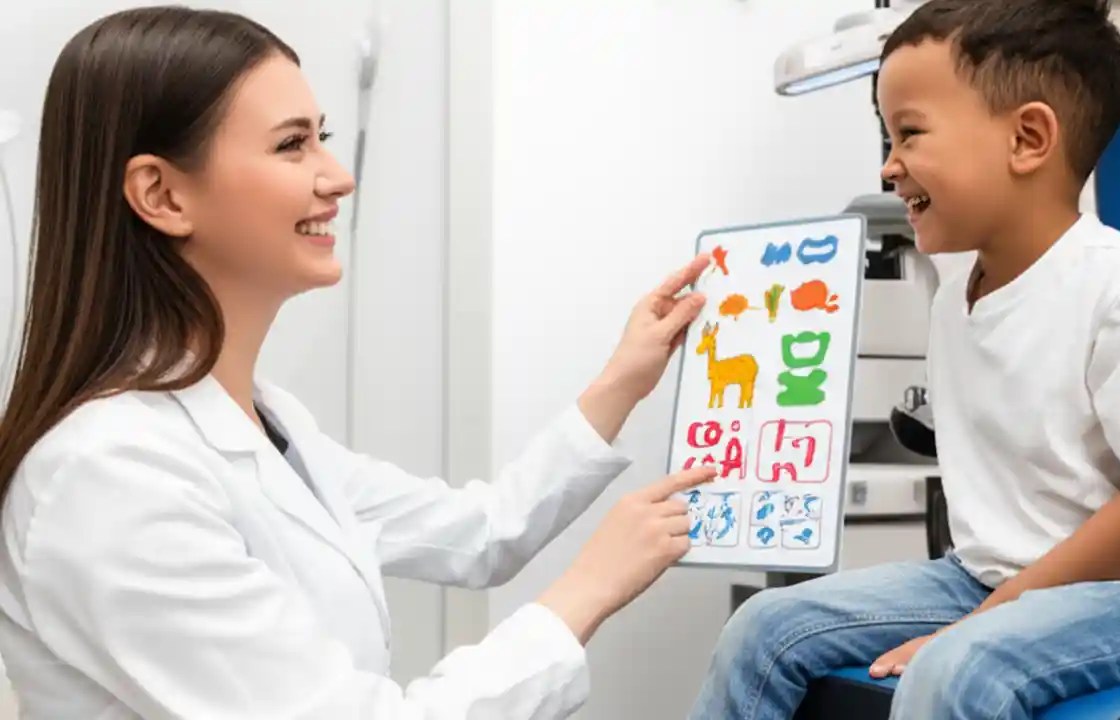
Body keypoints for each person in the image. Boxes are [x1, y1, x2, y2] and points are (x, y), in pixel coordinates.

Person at [0, 7, 715, 718]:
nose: (337, 177)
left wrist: (625, 378)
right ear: (162, 194)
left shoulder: (267, 425)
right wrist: (586, 589)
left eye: (324, 138)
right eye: (292, 146)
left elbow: (481, 530)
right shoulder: (109, 476)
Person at [690, 0, 1120, 718]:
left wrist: (992, 615)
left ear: (1028, 138)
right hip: (983, 577)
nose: (890, 167)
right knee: (762, 630)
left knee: (953, 672)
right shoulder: (957, 298)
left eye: (909, 135)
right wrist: (990, 602)